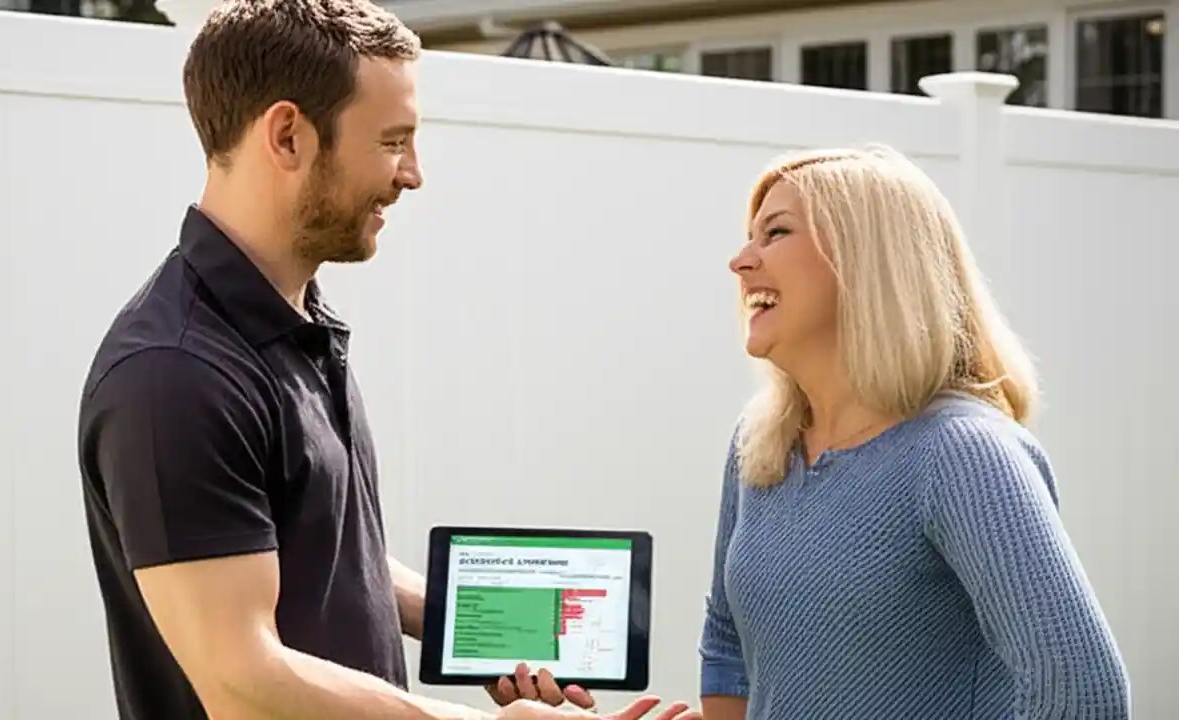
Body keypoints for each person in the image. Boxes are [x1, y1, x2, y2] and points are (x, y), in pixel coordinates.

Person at [75, 1, 699, 719]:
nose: (413, 174)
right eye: (393, 141)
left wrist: (488, 628)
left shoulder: (296, 322)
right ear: (288, 136)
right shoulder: (176, 373)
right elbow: (243, 681)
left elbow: (327, 560)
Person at [698, 145, 1130, 719]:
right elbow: (729, 653)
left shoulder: (961, 453)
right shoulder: (759, 446)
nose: (741, 261)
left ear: (866, 258)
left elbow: (1082, 697)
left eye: (775, 233)